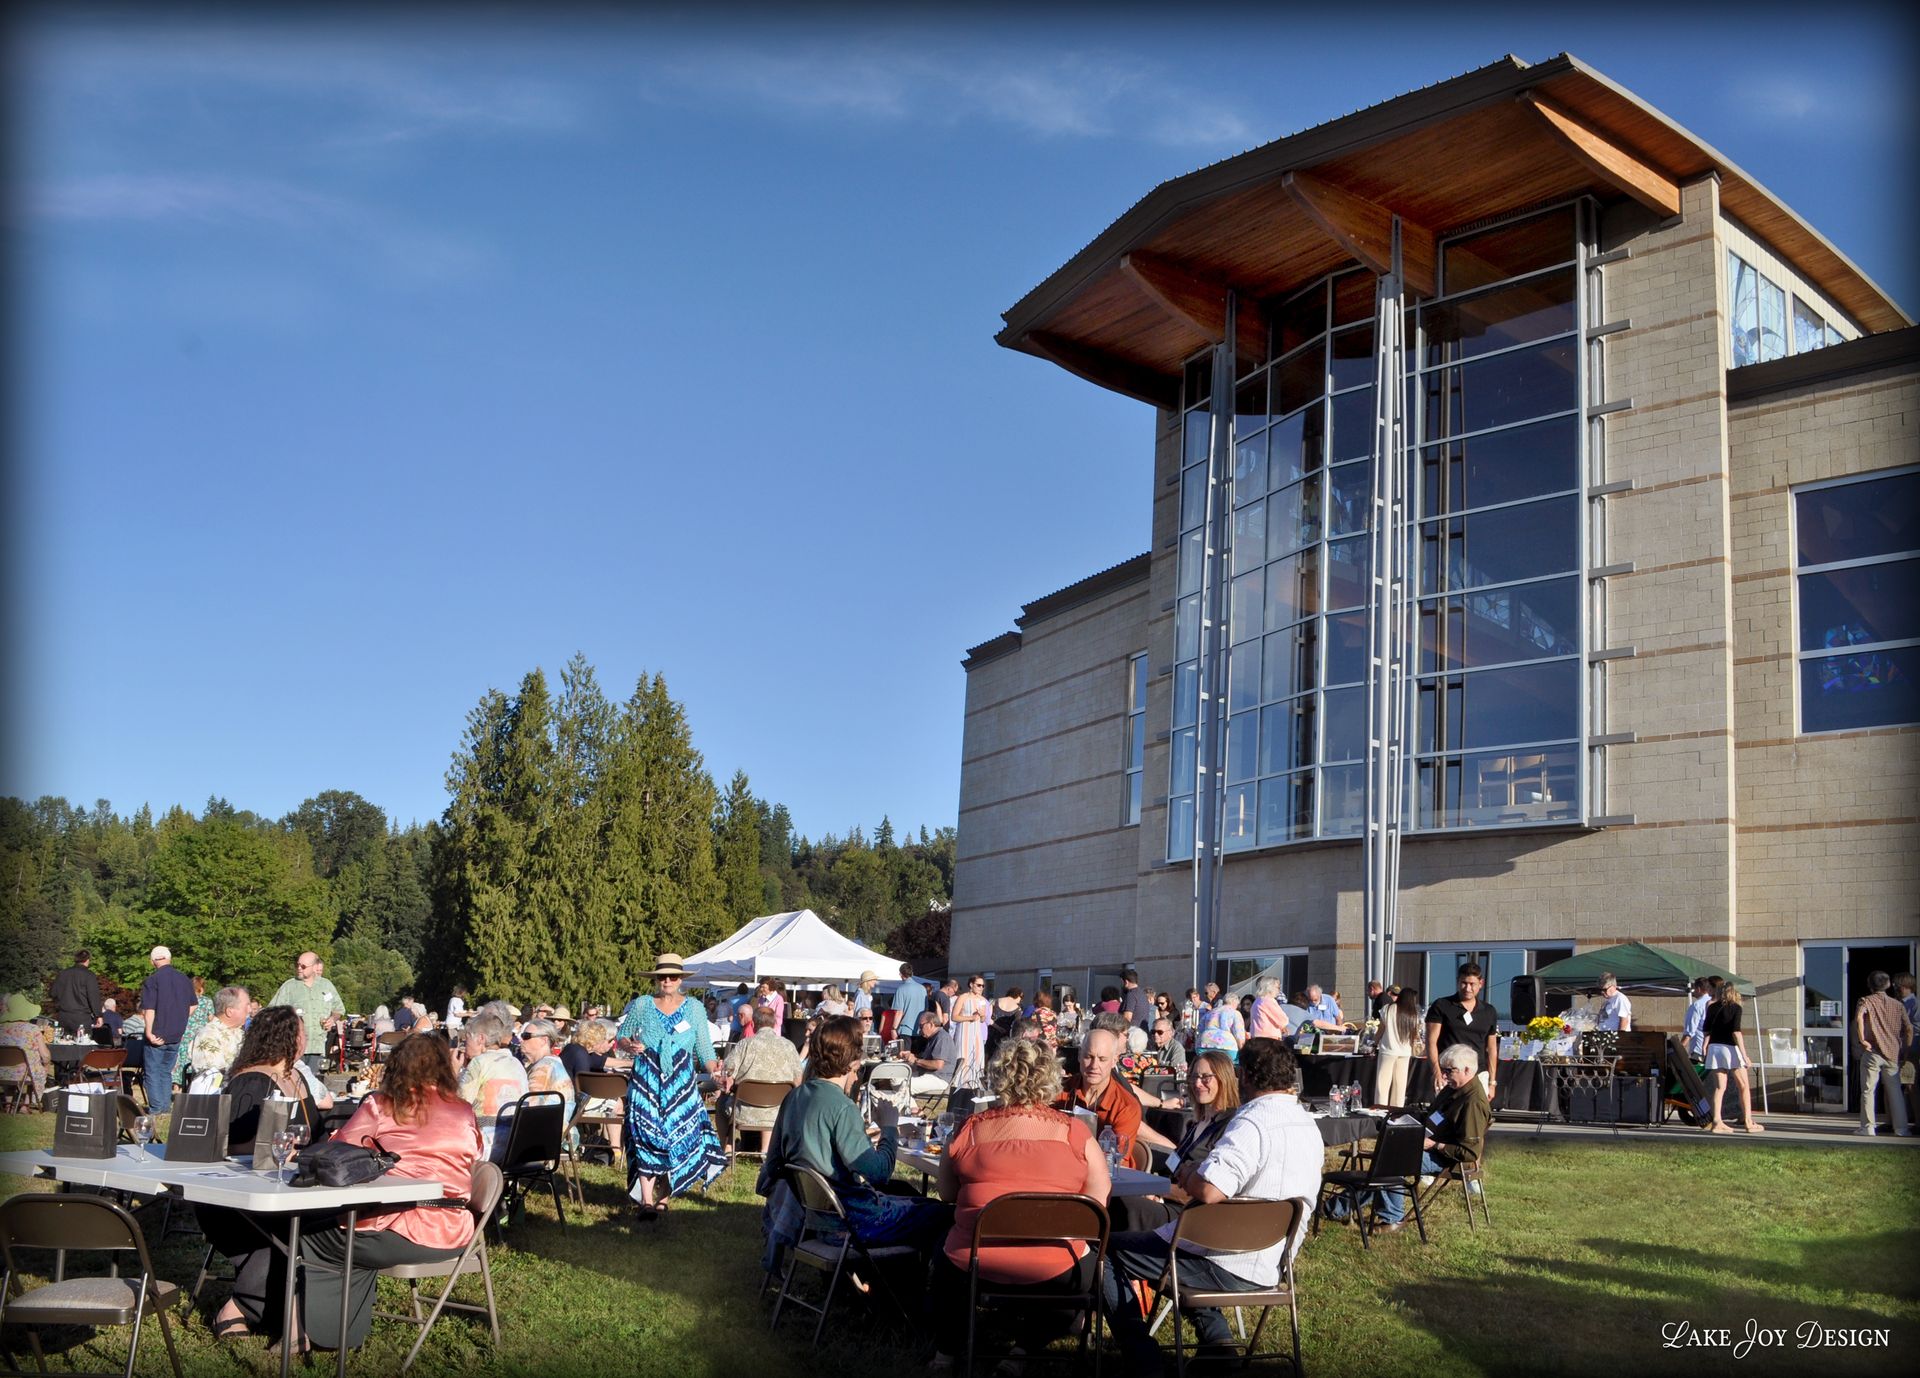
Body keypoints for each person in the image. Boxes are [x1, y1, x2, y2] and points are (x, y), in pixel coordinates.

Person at [1100, 1038, 1321, 1374]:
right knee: (1181, 1260)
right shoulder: (1308, 1124)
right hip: (1275, 1261)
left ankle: (1144, 1360)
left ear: (1243, 1076)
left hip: (1226, 1259)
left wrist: (1188, 1172)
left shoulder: (1251, 1123)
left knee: (1102, 1251)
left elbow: (1209, 1189)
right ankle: (1219, 1347)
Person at [926, 1036, 1110, 1368]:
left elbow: (947, 1194)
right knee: (1090, 1266)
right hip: (1054, 1267)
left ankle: (946, 1352)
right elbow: (1097, 1203)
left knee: (942, 1247)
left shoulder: (970, 1130)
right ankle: (1026, 1348)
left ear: (1000, 1076)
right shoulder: (1076, 1133)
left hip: (975, 1265)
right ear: (1051, 1077)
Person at [297, 1033, 481, 1354]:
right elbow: (475, 1156)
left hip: (399, 1231)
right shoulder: (464, 1110)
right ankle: (339, 1327)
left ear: (397, 1065)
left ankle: (310, 1330)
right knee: (350, 1234)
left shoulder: (383, 1105)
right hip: (456, 1234)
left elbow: (339, 1150)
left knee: (308, 1228)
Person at [755, 1015, 947, 1252]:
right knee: (946, 1214)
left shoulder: (794, 1097)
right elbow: (879, 1174)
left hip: (816, 1218)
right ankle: (927, 1287)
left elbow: (774, 1164)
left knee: (914, 1198)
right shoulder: (841, 1107)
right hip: (852, 1221)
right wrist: (889, 1126)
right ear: (855, 1060)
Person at [204, 1005, 329, 1340]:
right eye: (301, 1033)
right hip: (243, 1194)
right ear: (287, 1037)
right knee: (288, 1235)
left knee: (330, 1227)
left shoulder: (297, 1077)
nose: (305, 1040)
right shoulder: (251, 1080)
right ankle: (238, 1308)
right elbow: (234, 1143)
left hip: (296, 1186)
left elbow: (315, 1132)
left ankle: (299, 1311)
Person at [617, 954, 730, 1218]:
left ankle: (663, 1198)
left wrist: (716, 1072)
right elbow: (622, 1035)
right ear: (655, 979)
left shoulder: (694, 1009)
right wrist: (628, 1045)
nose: (667, 981)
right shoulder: (642, 1005)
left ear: (681, 980)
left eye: (673, 976)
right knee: (644, 1135)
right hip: (646, 1080)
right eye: (662, 976)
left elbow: (704, 1050)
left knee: (675, 1138)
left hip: (680, 1085)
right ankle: (646, 1202)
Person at [1368, 1043, 1491, 1228]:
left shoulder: (1473, 1102)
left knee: (1392, 1160)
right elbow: (1433, 1115)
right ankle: (1338, 1207)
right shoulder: (1454, 1089)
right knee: (1386, 1155)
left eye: (1449, 1070)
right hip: (1427, 1141)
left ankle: (1392, 1219)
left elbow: (1469, 1153)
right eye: (1443, 1070)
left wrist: (1434, 1145)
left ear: (1467, 1070)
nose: (1444, 1075)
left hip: (1447, 1157)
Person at [1055, 1026, 1146, 1158]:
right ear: (1079, 1055)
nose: (1094, 1066)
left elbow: (1115, 1160)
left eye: (1102, 1059)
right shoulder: (1058, 1091)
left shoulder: (1126, 1106)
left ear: (1114, 1060)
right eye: (1088, 1057)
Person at [719, 1005, 803, 1143]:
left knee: (722, 1100)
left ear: (754, 1023)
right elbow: (798, 1079)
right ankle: (765, 1150)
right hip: (780, 1110)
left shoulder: (744, 1045)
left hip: (745, 1111)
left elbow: (728, 1071)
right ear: (774, 1023)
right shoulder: (789, 1046)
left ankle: (728, 1147)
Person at [457, 1011, 529, 1158]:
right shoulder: (516, 1063)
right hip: (515, 1145)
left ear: (481, 1039)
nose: (465, 1045)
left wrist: (454, 1072)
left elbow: (459, 1105)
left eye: (467, 1040)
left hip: (486, 1146)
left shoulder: (479, 1063)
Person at [1425, 963, 1500, 1102]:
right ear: (1458, 982)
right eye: (1463, 983)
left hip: (1478, 1073)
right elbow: (1431, 1042)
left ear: (1481, 983)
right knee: (1444, 1118)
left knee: (1476, 1118)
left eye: (1472, 984)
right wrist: (1436, 1071)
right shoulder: (1441, 1005)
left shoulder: (1489, 1011)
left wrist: (1492, 1082)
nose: (1468, 988)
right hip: (1448, 1073)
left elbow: (1492, 1048)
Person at [137, 945, 197, 1115]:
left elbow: (149, 1008)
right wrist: (179, 1018)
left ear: (152, 961)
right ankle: (165, 1107)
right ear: (169, 958)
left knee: (153, 1071)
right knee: (165, 1071)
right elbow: (193, 1005)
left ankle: (157, 1108)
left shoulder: (153, 980)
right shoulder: (184, 979)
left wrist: (149, 1031)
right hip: (176, 1033)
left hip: (157, 1032)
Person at [1853, 971, 1912, 1137]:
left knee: (1868, 1090)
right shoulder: (1898, 1004)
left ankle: (1868, 1127)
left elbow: (1859, 1017)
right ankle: (1902, 1129)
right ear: (1888, 985)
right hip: (1893, 1053)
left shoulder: (1866, 1000)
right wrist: (1905, 1050)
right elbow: (1909, 1028)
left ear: (1870, 985)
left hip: (1873, 1052)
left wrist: (1862, 1039)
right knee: (1895, 1091)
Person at [268, 952, 344, 1074]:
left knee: (314, 1083)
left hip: (318, 1046)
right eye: (297, 965)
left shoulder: (326, 985)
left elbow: (338, 1009)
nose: (299, 968)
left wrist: (332, 1019)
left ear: (314, 967)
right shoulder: (289, 987)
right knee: (294, 1083)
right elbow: (271, 1012)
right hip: (294, 1047)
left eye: (303, 966)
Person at [1703, 982, 1763, 1134]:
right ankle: (1748, 1122)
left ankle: (1717, 1121)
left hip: (1714, 1048)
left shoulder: (1711, 1007)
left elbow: (1706, 1031)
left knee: (1719, 1087)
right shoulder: (1736, 1008)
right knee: (1743, 1086)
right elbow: (1736, 1032)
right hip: (1730, 1049)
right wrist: (1745, 1055)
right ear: (1735, 993)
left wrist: (1705, 1047)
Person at [187, 986, 251, 1085]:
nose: (250, 1010)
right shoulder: (208, 1035)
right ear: (229, 1011)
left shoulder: (241, 1033)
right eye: (247, 1006)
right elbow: (213, 1077)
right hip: (219, 1095)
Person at [1373, 988, 1422, 1108]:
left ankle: (1380, 1109)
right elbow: (1415, 1035)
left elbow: (1381, 1029)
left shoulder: (1388, 1009)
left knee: (1383, 1083)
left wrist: (1374, 1043)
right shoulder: (1413, 1014)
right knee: (1400, 1085)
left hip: (1388, 1050)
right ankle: (1397, 1111)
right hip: (1405, 1052)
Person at [519, 1017, 575, 1123]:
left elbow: (529, 1107)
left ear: (543, 1040)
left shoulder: (544, 1068)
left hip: (544, 1133)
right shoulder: (552, 1062)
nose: (521, 1040)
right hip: (554, 1129)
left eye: (526, 1036)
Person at [0, 994, 54, 1103]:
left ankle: (8, 1103)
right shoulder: (32, 1029)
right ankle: (27, 1103)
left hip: (3, 1071)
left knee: (10, 1067)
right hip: (26, 1072)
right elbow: (45, 1055)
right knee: (39, 1069)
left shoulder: (2, 1028)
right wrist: (47, 1065)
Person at [901, 1009, 960, 1096]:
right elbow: (926, 1059)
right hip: (931, 1075)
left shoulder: (942, 1038)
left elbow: (938, 1065)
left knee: (904, 1085)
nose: (919, 1030)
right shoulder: (933, 1037)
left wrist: (916, 1060)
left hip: (939, 1078)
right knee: (896, 1080)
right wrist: (911, 1055)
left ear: (931, 1024)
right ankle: (915, 1109)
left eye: (921, 1026)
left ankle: (911, 1109)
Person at [172, 977, 215, 1091]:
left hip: (184, 1032)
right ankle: (194, 1082)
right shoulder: (207, 1001)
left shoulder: (182, 1000)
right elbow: (211, 1019)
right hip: (200, 1034)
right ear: (201, 988)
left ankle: (177, 1085)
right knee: (196, 1058)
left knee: (181, 1057)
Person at [50, 948, 103, 1037]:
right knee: (82, 1046)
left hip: (64, 1016)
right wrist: (98, 1015)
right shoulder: (89, 975)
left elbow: (53, 993)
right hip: (82, 1017)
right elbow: (93, 997)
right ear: (87, 960)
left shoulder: (63, 974)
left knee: (63, 1045)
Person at [952, 975, 991, 1087]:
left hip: (977, 1032)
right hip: (964, 1031)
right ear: (971, 985)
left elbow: (983, 1020)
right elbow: (954, 1017)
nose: (981, 988)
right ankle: (960, 1082)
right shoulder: (963, 997)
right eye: (978, 985)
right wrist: (970, 1018)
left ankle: (975, 1082)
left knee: (977, 1055)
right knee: (963, 1055)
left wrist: (983, 1016)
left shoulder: (983, 1000)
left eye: (983, 986)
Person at [1196, 991, 1247, 1062]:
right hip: (1226, 1046)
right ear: (1235, 1003)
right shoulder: (1235, 1013)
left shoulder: (1210, 1012)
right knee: (1230, 1068)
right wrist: (1242, 1050)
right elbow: (1239, 1034)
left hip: (1204, 1044)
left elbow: (1199, 1029)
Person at [891, 962, 927, 1035]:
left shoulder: (901, 989)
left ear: (900, 974)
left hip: (906, 1029)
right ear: (912, 973)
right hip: (920, 1029)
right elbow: (926, 1010)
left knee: (905, 1047)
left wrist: (893, 1029)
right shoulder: (922, 988)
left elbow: (899, 1012)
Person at [1682, 976, 1713, 1059]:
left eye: (1694, 989)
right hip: (1713, 1049)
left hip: (1698, 1050)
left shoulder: (1697, 1006)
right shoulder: (1714, 1003)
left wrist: (1679, 1050)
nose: (1694, 991)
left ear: (1698, 989)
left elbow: (1689, 1032)